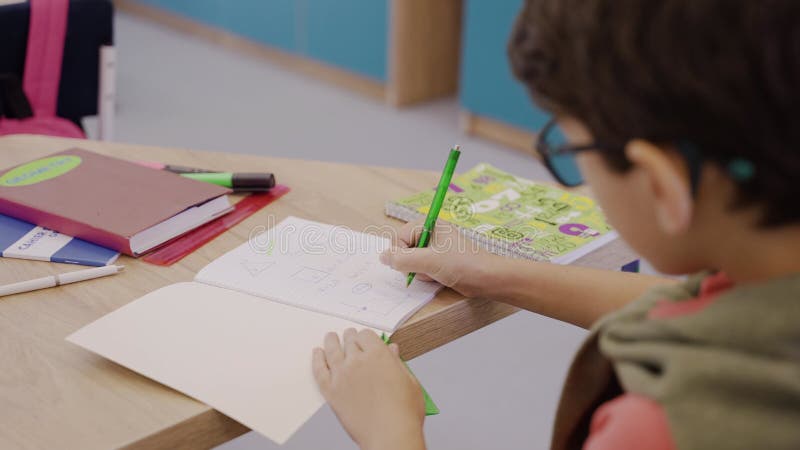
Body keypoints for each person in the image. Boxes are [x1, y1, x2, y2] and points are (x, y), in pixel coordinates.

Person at [310, 0, 800, 448]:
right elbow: (688, 302)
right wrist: (489, 272)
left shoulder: (655, 430)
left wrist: (392, 432)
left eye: (571, 152)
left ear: (660, 186)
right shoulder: (767, 276)